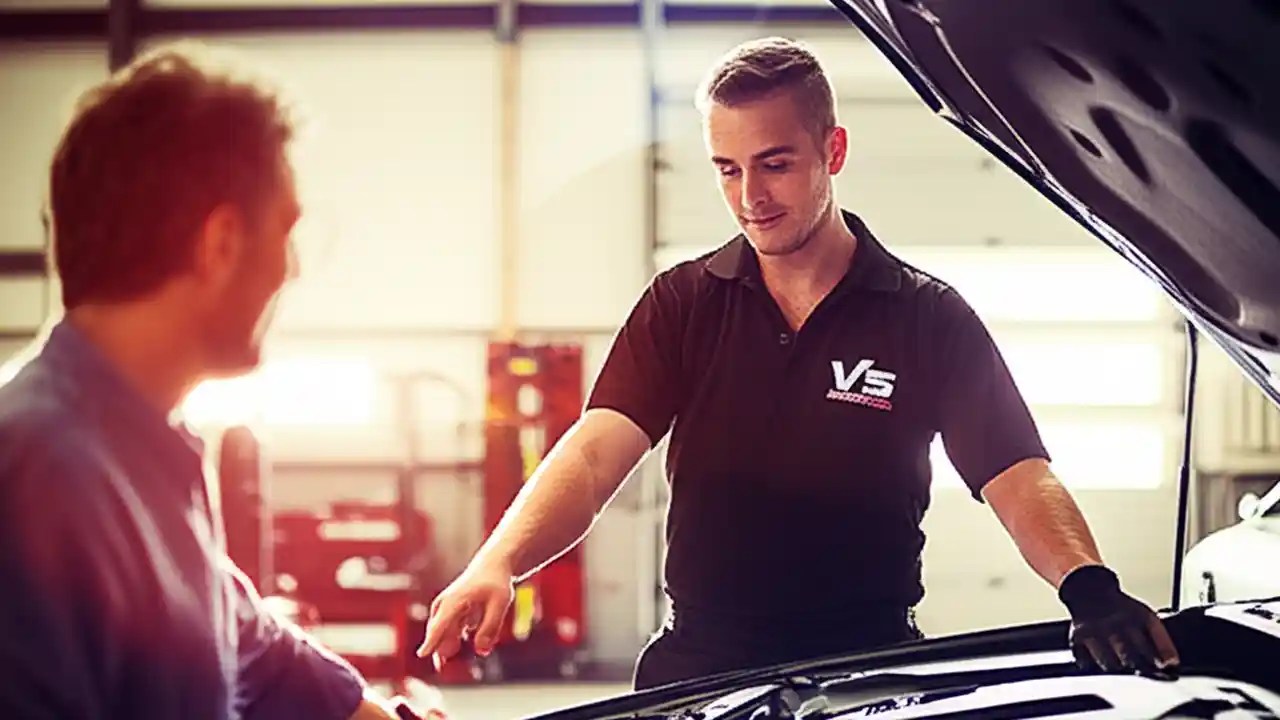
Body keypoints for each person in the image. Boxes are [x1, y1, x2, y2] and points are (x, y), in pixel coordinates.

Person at [0, 43, 416, 719]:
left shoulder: (141, 451)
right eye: (285, 232)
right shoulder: (42, 473)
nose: (294, 270)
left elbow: (246, 642)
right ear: (219, 244)